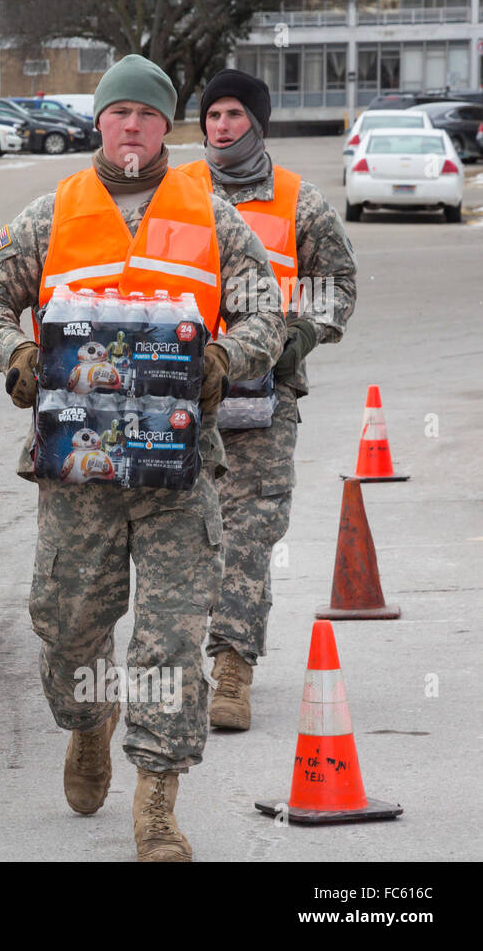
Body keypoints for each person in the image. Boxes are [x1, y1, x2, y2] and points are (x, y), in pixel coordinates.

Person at [0, 54, 285, 861]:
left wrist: (223, 360)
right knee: (69, 628)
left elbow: (265, 315)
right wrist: (14, 353)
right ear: (98, 123)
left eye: (147, 113)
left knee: (171, 638)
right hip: (78, 470)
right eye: (118, 113)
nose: (132, 125)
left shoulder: (213, 215)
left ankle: (157, 802)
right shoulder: (50, 215)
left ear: (165, 126)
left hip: (178, 470)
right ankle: (86, 723)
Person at [174, 70, 357, 731]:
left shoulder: (296, 201)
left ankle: (232, 667)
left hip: (262, 398)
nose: (220, 126)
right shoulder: (174, 191)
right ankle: (178, 660)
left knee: (249, 534)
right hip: (180, 395)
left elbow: (335, 283)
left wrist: (299, 336)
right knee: (186, 535)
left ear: (258, 121)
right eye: (212, 114)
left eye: (233, 114)